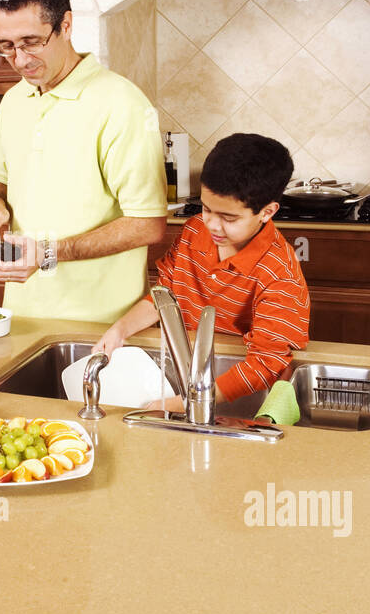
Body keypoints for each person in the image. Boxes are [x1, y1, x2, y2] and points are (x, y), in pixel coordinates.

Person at [0, 0, 167, 323]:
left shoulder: (122, 103)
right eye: (6, 46)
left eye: (31, 42)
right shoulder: (14, 101)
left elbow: (147, 224)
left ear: (66, 25)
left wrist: (47, 252)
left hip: (102, 325)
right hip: (21, 318)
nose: (20, 59)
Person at [92, 133, 310, 412]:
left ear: (267, 212)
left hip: (234, 396)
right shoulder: (195, 231)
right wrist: (121, 329)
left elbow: (266, 362)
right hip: (190, 374)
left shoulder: (279, 273)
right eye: (207, 209)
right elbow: (165, 296)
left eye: (229, 218)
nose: (213, 225)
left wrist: (188, 403)